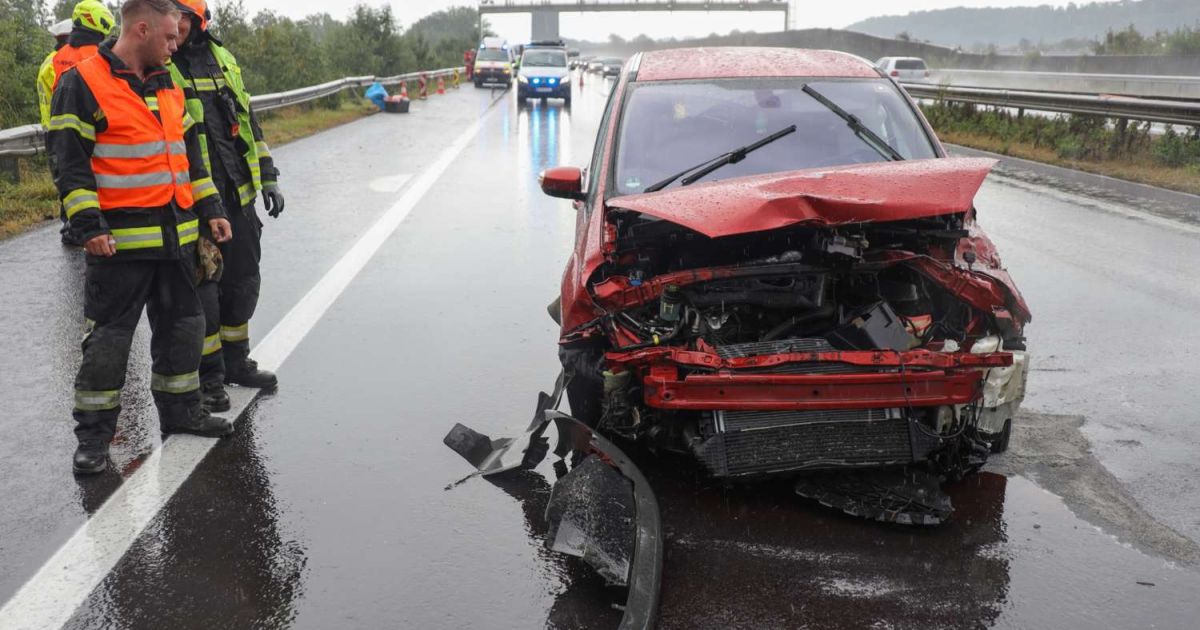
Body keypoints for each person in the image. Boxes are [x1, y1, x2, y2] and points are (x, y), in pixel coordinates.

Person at [47, 0, 236, 475]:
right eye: (171, 37)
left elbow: (192, 157)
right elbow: (68, 162)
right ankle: (93, 439)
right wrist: (88, 226)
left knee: (184, 329)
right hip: (121, 246)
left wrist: (211, 209)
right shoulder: (82, 81)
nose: (177, 45)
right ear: (143, 29)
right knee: (109, 344)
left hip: (178, 241)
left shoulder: (169, 83)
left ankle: (182, 412)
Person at [169, 0, 283, 413]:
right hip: (195, 202)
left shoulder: (223, 58)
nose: (172, 24)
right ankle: (210, 379)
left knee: (242, 282)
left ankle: (236, 362)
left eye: (179, 16)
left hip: (239, 195)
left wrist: (268, 177)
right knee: (206, 293)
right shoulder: (164, 64)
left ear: (197, 20)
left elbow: (248, 120)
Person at [38, 1, 116, 246]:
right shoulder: (100, 54)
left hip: (56, 126)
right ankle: (95, 226)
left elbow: (47, 91)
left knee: (68, 177)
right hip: (95, 126)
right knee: (93, 177)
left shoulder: (55, 58)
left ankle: (72, 226)